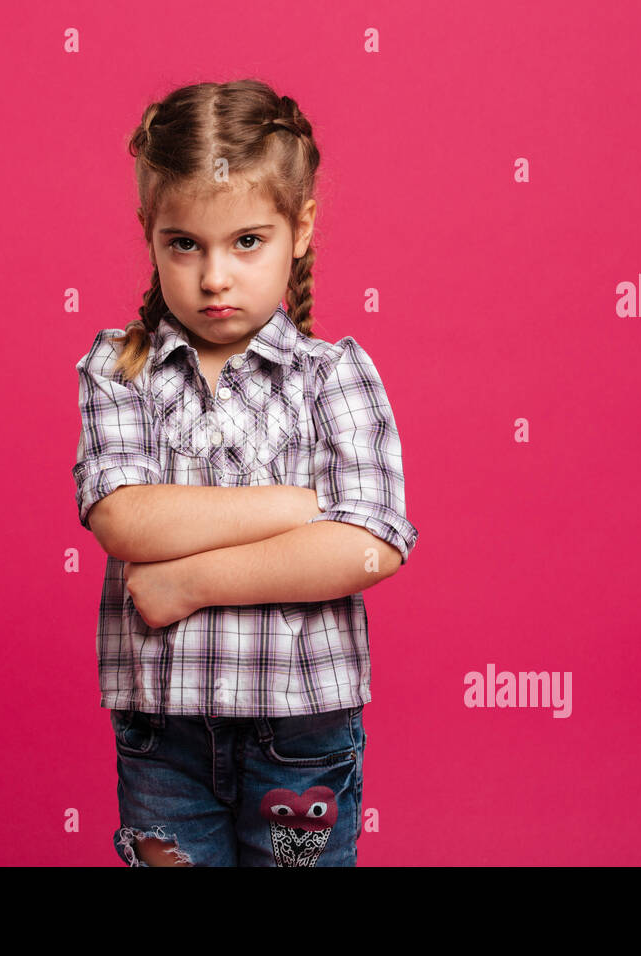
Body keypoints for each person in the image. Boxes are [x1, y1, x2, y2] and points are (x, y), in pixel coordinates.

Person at [71, 79, 419, 867]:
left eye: (247, 242)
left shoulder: (335, 377)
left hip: (303, 735)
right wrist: (293, 506)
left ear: (300, 230)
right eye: (184, 244)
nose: (214, 277)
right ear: (149, 234)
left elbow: (369, 545)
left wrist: (186, 583)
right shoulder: (117, 370)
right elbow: (123, 516)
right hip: (164, 736)